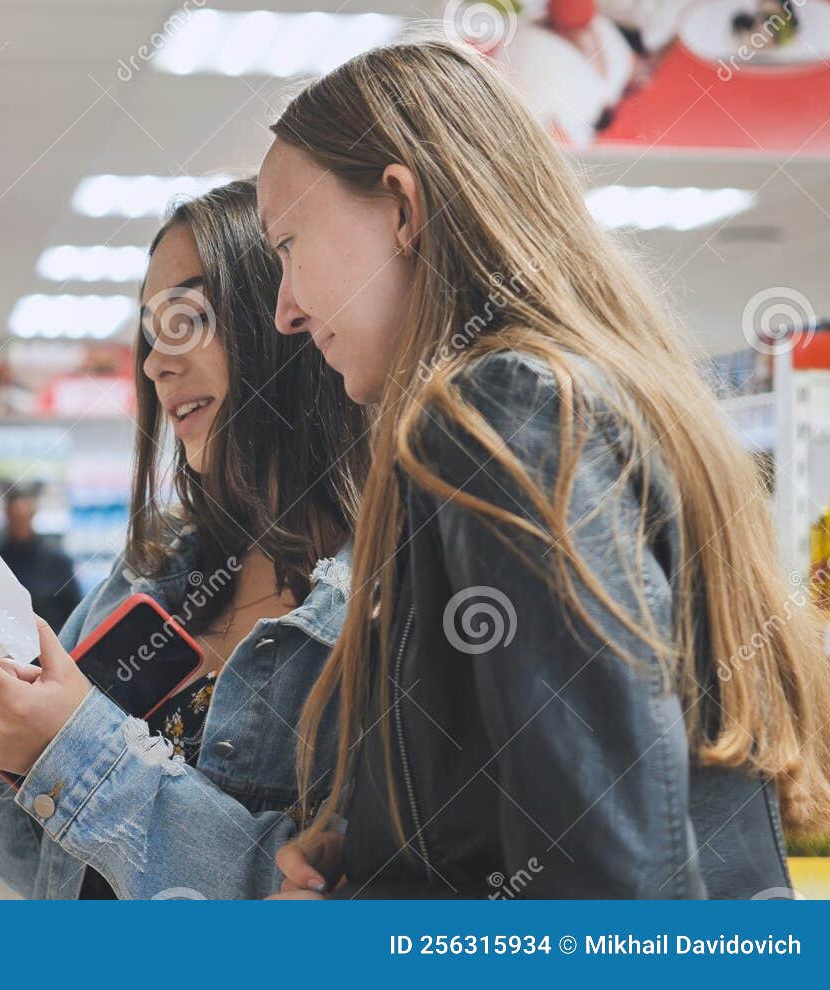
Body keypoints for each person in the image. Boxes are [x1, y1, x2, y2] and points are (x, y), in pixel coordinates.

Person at [256, 38, 830, 899]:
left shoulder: (504, 411)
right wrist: (382, 862)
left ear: (402, 207)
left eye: (289, 243)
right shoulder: (560, 397)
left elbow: (609, 886)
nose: (285, 309)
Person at [0, 179, 368, 898]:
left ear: (286, 318)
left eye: (189, 318)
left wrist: (77, 747)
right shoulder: (148, 579)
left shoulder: (382, 613)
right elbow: (30, 866)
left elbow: (334, 903)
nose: (157, 362)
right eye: (151, 332)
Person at [0, 488, 81, 633]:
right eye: (16, 518)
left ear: (33, 515)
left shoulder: (58, 562)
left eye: (24, 518)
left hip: (53, 646)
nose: (20, 524)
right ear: (7, 516)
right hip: (8, 649)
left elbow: (74, 611)